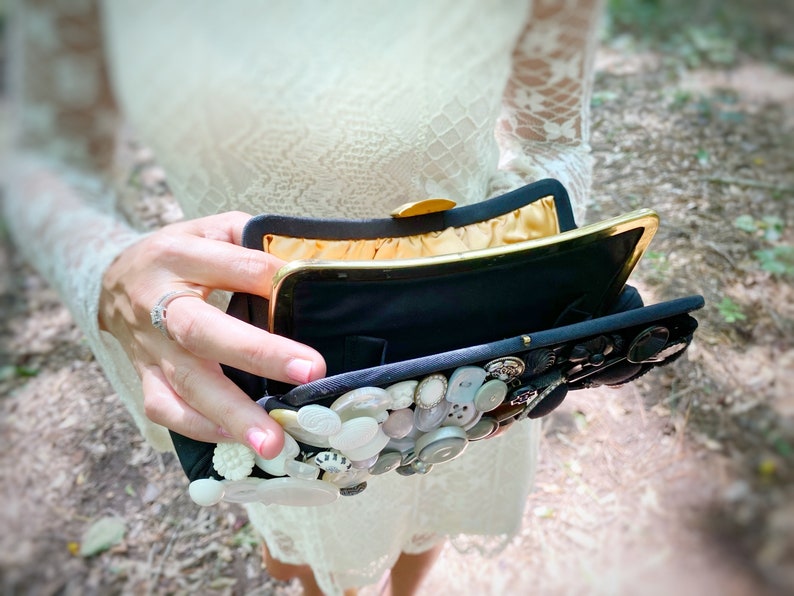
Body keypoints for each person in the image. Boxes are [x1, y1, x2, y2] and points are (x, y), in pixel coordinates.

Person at [3, 0, 604, 593]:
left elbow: (554, 145)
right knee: (308, 544)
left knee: (434, 493)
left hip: (472, 342)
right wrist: (110, 272)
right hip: (268, 369)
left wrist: (508, 266)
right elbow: (44, 160)